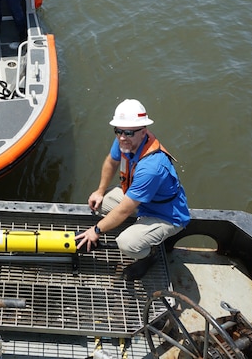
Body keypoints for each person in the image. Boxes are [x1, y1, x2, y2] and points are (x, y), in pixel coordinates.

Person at [75, 99, 190, 280]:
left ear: (143, 131)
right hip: (141, 201)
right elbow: (111, 162)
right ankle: (140, 229)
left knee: (126, 243)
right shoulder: (126, 142)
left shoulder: (151, 166)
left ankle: (150, 255)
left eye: (128, 132)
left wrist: (95, 231)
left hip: (165, 214)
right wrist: (99, 190)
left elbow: (125, 209)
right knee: (100, 203)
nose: (122, 136)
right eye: (118, 131)